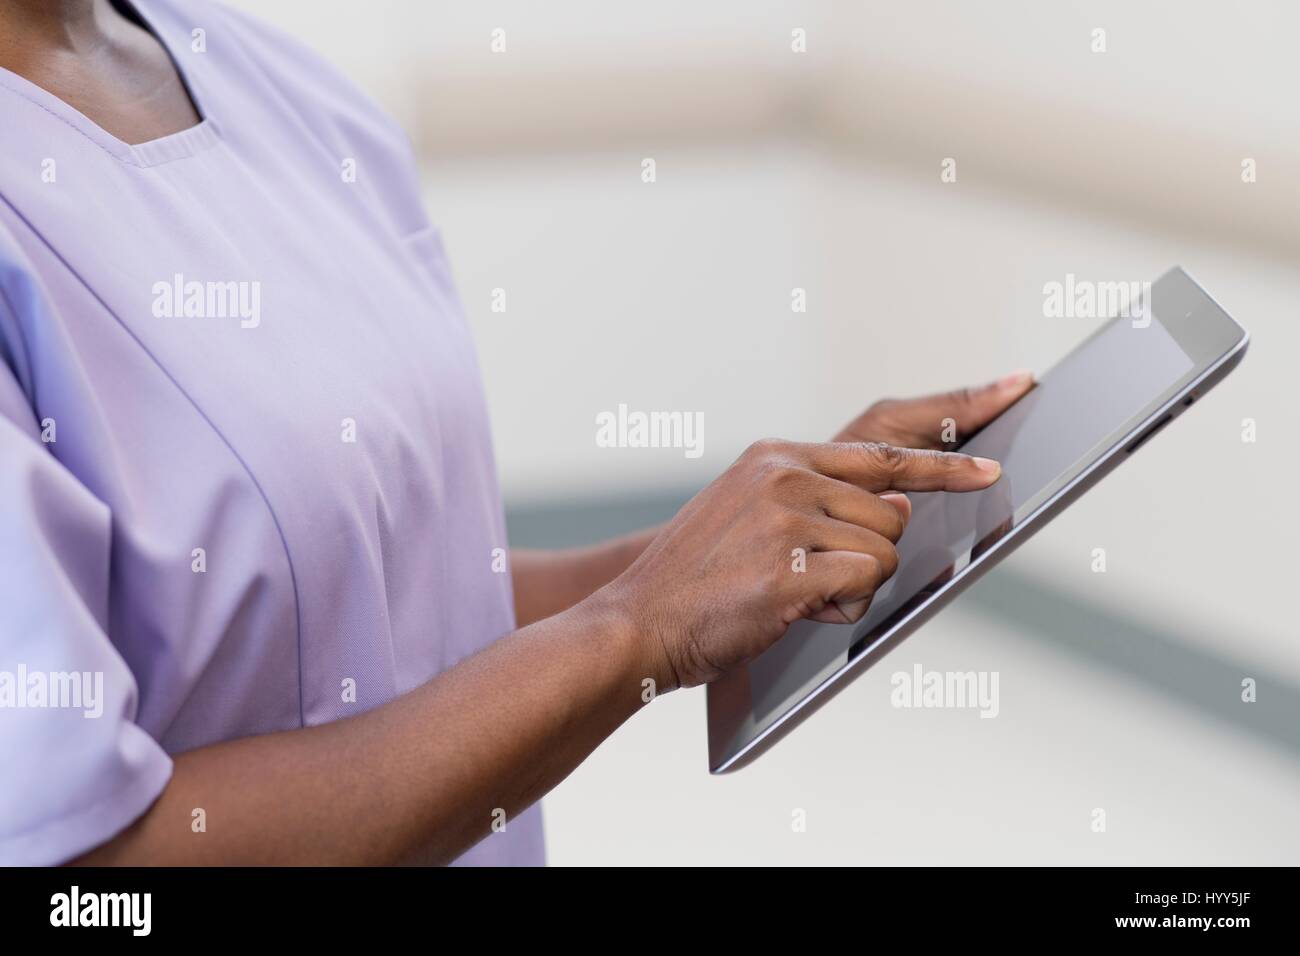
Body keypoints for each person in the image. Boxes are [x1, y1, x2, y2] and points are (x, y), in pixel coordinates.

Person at [0, 0, 1034, 865]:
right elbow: (91, 863)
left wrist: (738, 552)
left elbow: (412, 599)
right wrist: (635, 629)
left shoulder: (271, 83)